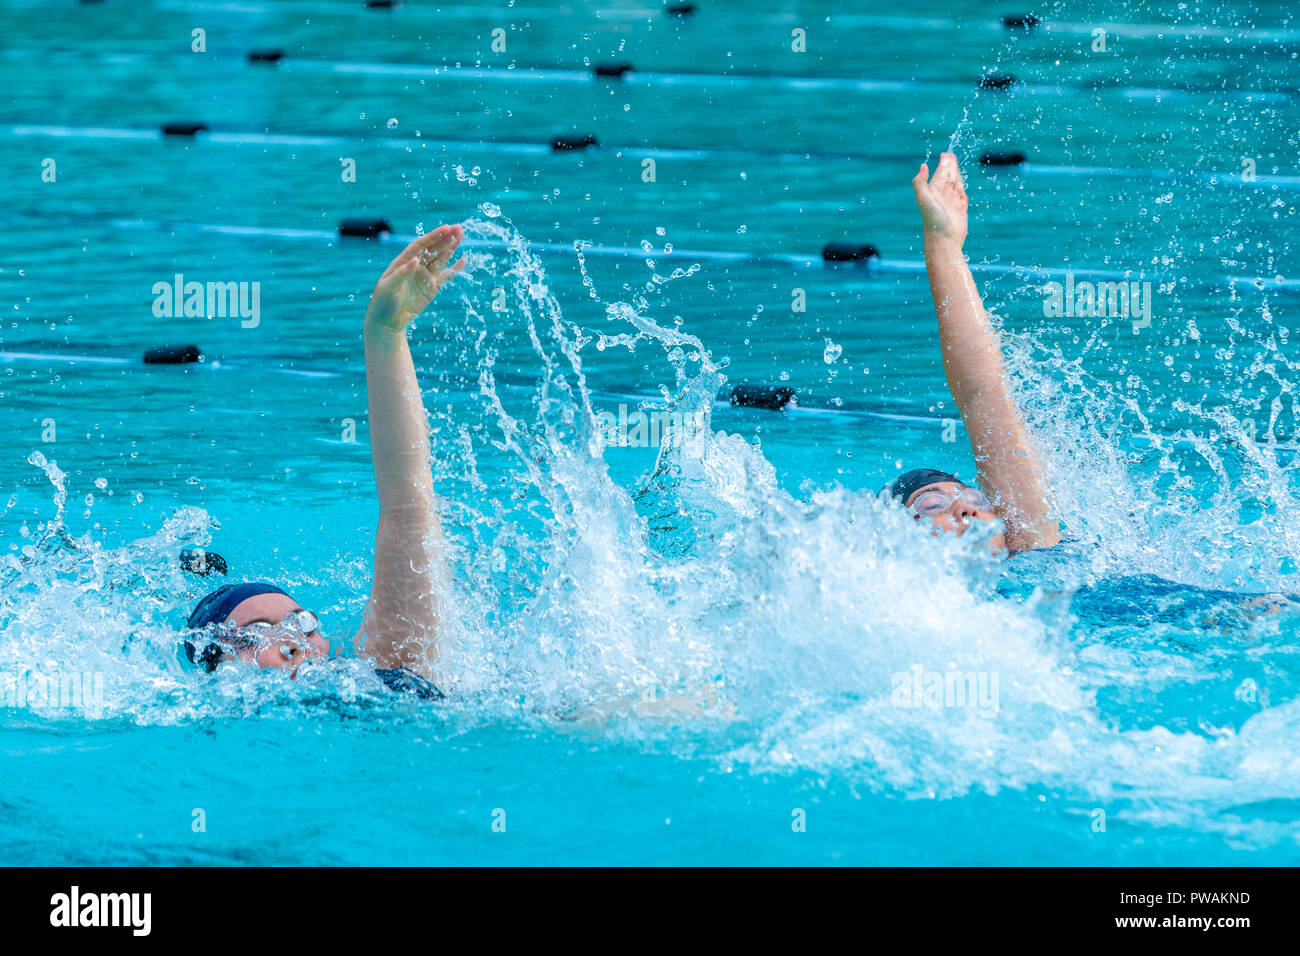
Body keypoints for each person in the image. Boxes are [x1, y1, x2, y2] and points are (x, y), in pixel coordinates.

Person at [181, 225, 467, 698]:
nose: (294, 642)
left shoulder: (380, 684)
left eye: (305, 624)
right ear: (215, 670)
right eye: (254, 636)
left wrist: (386, 334)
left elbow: (407, 508)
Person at [891, 152, 1061, 556]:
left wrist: (944, 246)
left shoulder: (1034, 549)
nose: (965, 505)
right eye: (931, 504)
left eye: (974, 496)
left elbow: (984, 397)